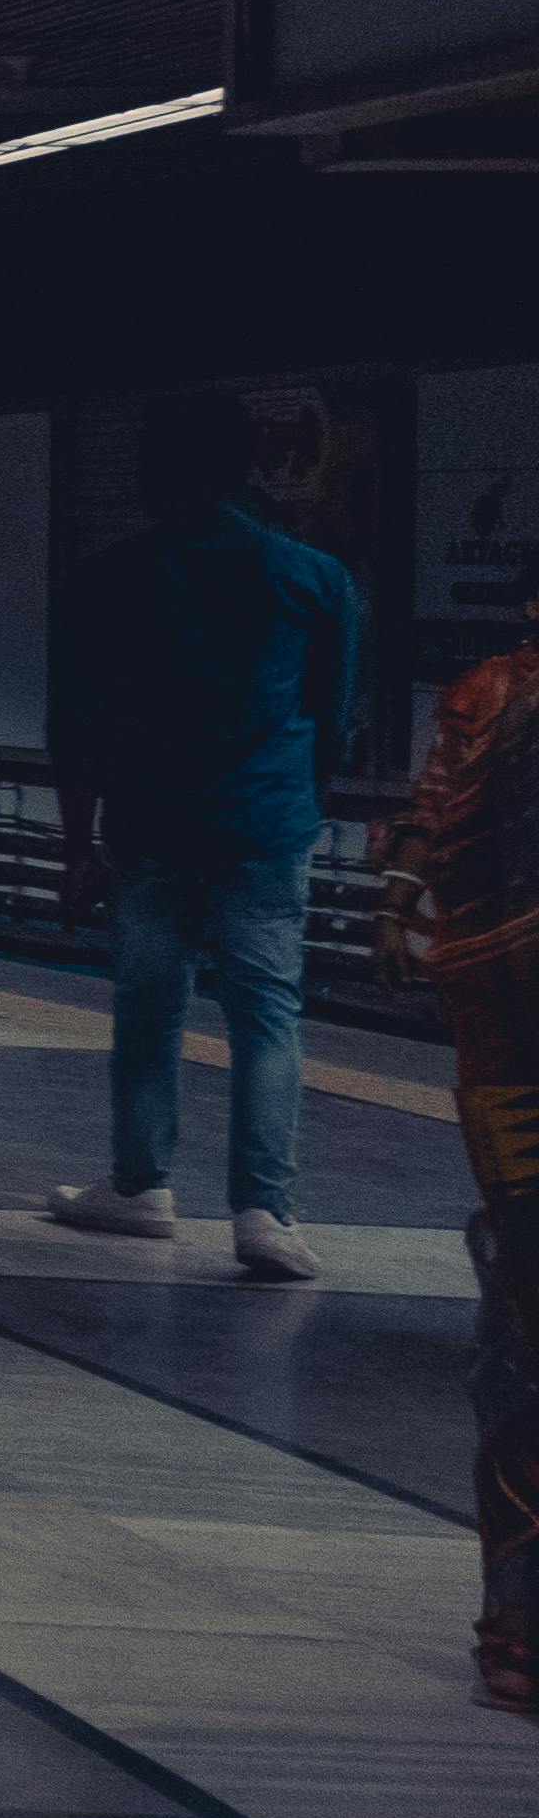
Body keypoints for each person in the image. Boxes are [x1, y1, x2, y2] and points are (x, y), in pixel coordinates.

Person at [49, 392, 365, 1280]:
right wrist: (291, 806)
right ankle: (265, 1212)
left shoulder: (107, 577)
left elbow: (75, 726)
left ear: (150, 473)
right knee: (267, 1018)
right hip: (265, 827)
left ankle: (141, 1188)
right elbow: (332, 722)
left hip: (149, 829)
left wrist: (80, 847)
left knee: (148, 1014)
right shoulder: (313, 577)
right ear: (244, 470)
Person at [374, 633, 539, 1720]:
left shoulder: (492, 695)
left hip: (507, 1057)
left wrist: (395, 905)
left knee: (525, 1327)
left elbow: (431, 819)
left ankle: (517, 1625)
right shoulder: (492, 696)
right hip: (508, 1045)